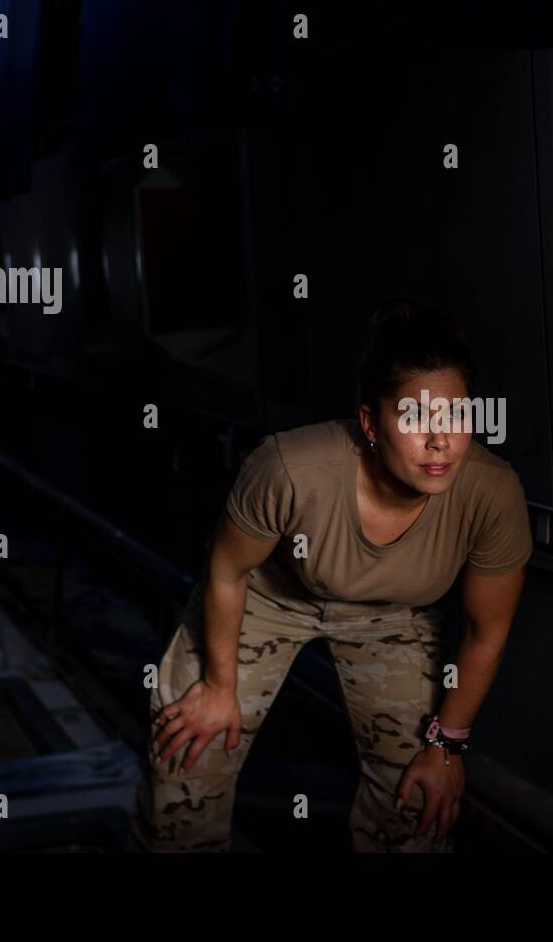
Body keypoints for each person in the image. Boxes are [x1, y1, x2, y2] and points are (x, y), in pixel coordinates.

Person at [142, 300, 532, 852]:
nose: (440, 440)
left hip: (391, 617)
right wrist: (218, 686)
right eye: (415, 418)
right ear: (371, 422)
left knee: (420, 792)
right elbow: (228, 570)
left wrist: (446, 747)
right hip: (268, 597)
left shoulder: (492, 495)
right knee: (187, 754)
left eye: (457, 416)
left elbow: (485, 633)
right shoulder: (290, 469)